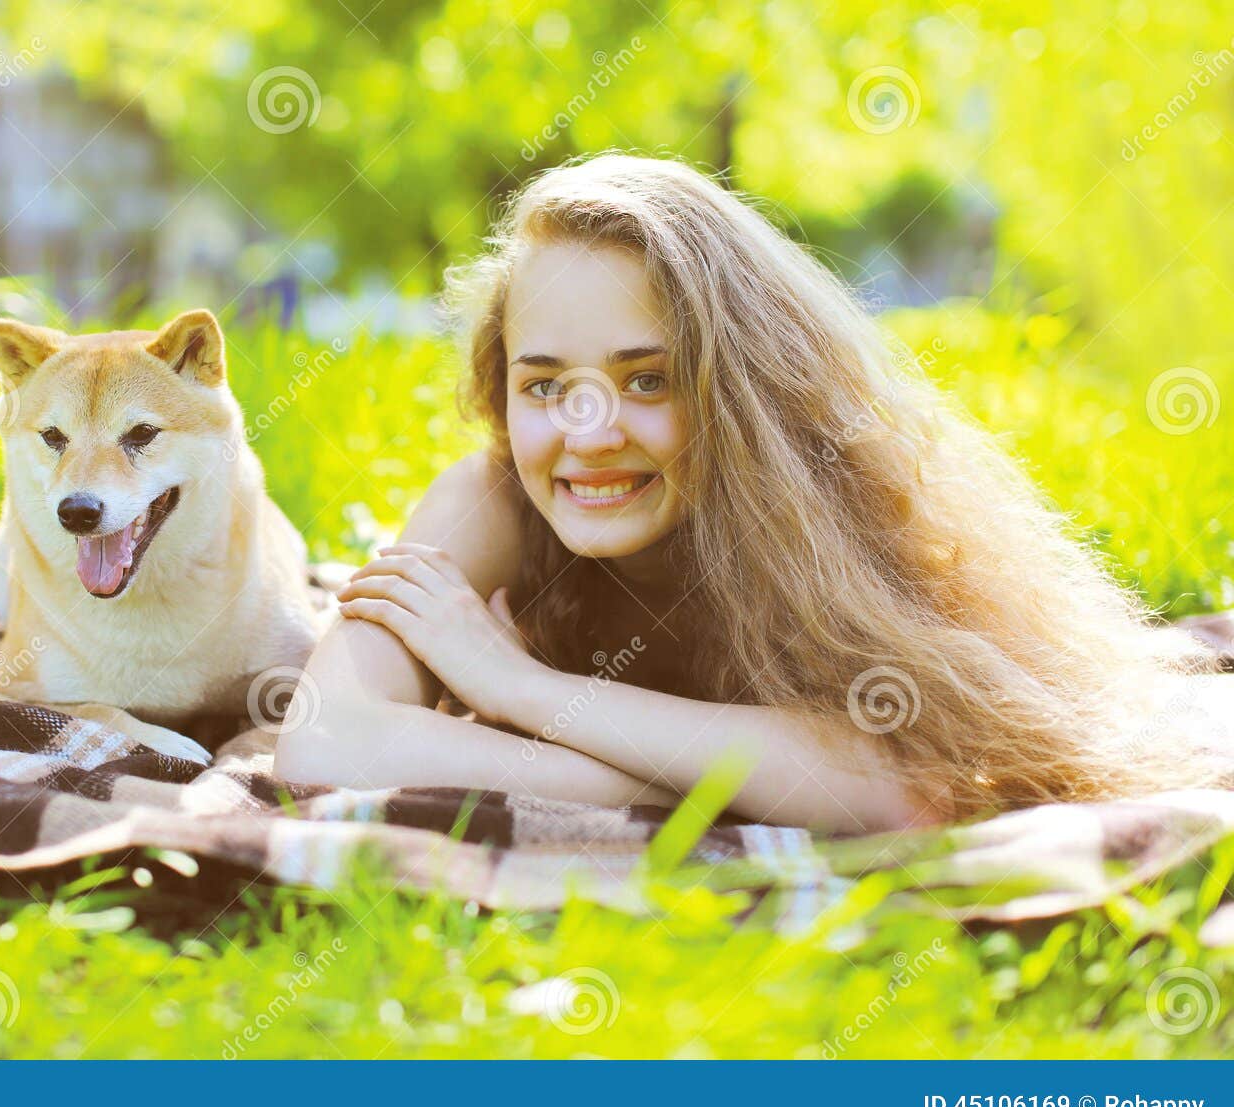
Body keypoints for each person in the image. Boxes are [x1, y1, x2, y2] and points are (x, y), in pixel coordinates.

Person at [273, 152, 1225, 833]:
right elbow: (321, 746)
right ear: (501, 391)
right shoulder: (491, 504)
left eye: (649, 379)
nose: (589, 433)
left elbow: (901, 785)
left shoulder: (823, 512)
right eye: (545, 385)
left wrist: (524, 691)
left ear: (741, 392)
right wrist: (679, 776)